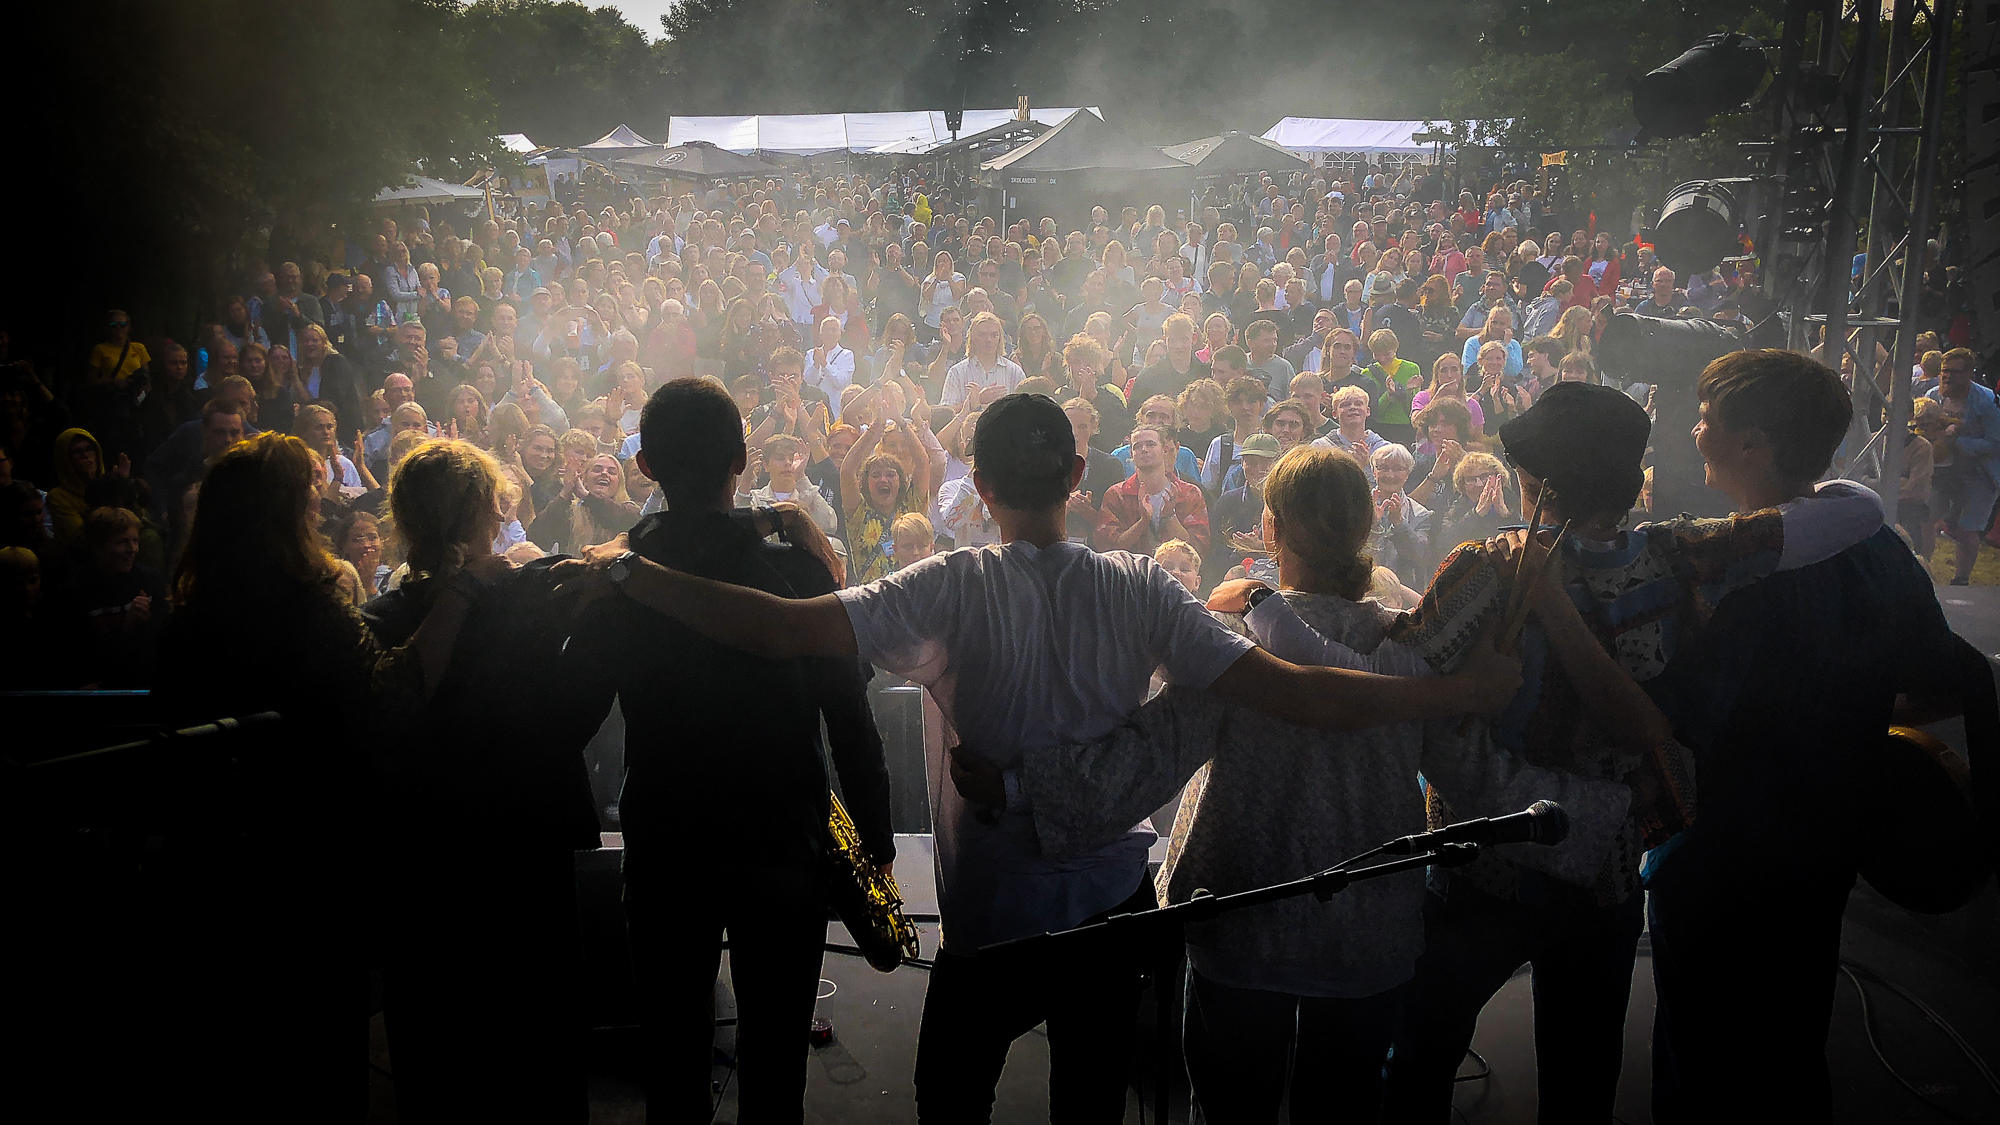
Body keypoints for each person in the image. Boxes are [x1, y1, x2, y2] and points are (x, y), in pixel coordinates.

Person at [561, 391, 1522, 1125]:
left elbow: (778, 630)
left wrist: (625, 570)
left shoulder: (950, 583)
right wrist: (1451, 693)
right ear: (1077, 475)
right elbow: (1307, 694)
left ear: (976, 487)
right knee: (1092, 1105)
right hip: (1109, 909)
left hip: (992, 918)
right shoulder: (1146, 589)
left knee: (950, 1097)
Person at [1020, 445, 1640, 1125]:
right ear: (1363, 529)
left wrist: (1026, 786)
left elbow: (1151, 755)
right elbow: (1476, 774)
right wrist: (1608, 815)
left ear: (1272, 528)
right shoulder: (1407, 649)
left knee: (1231, 1109)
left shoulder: (1232, 640)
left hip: (1239, 912)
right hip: (1365, 928)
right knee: (1344, 1110)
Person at [1376, 378, 1889, 1124]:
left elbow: (1398, 682)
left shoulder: (1492, 564)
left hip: (1482, 862)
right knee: (1583, 1073)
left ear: (1532, 480)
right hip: (1608, 863)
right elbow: (1856, 510)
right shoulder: (1679, 554)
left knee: (1421, 1053)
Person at [551, 377, 892, 1124]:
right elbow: (851, 721)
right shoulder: (797, 569)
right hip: (785, 843)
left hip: (668, 844)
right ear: (743, 457)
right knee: (776, 1074)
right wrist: (877, 849)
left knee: (673, 1071)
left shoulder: (620, 585)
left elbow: (564, 720)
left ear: (643, 466)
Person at [1640, 350, 1954, 1123]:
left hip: (1719, 853)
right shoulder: (1882, 551)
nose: (1694, 430)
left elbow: (1672, 719)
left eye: (1709, 419)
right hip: (1826, 843)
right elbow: (1941, 678)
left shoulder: (1740, 580)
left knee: (1703, 1056)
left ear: (1754, 444)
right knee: (1789, 1041)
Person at [148, 431, 493, 1119]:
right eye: (306, 502)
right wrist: (457, 596)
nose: (319, 509)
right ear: (280, 515)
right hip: (309, 854)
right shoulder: (304, 607)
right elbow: (386, 699)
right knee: (319, 1047)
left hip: (218, 856)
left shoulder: (188, 616)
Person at [355, 439, 597, 1122]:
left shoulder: (378, 622)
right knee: (538, 1041)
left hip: (424, 858)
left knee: (437, 1050)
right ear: (484, 515)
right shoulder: (527, 601)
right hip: (524, 848)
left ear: (404, 518)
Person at [1923, 349, 1997, 584]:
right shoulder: (1934, 394)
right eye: (1945, 371)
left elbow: (1996, 442)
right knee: (1926, 520)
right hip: (1941, 472)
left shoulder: (1987, 401)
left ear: (1969, 374)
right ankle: (1922, 569)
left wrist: (1958, 441)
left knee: (1967, 530)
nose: (1948, 377)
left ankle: (1961, 581)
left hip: (1979, 475)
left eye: (1955, 372)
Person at [1096, 423, 1211, 557]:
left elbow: (1196, 550)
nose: (1144, 449)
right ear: (1131, 455)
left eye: (1151, 444)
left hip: (1174, 573)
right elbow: (1108, 549)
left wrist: (1169, 516)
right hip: (1131, 573)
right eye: (1137, 446)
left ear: (1165, 450)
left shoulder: (1189, 493)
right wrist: (1143, 521)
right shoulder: (1116, 494)